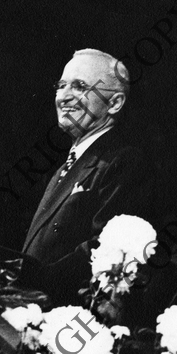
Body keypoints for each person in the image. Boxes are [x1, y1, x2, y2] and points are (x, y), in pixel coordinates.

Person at [22, 48, 150, 307]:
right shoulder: (63, 170)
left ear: (114, 103)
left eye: (80, 87)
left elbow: (106, 251)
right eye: (61, 85)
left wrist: (26, 289)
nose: (65, 96)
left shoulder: (122, 161)